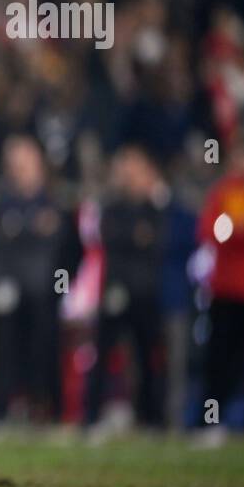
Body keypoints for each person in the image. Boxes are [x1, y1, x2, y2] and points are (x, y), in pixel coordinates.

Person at [0, 136, 81, 423]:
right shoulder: (2, 205)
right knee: (4, 353)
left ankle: (48, 410)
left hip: (43, 294)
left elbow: (73, 252)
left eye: (23, 163)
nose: (18, 170)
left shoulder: (56, 205)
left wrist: (60, 287)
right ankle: (1, 411)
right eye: (13, 165)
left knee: (45, 351)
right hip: (10, 293)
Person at [85, 144, 169, 430]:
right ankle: (91, 416)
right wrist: (136, 236)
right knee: (103, 354)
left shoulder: (156, 207)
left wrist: (136, 236)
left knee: (149, 357)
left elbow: (158, 240)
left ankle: (153, 417)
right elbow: (112, 237)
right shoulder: (112, 207)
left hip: (146, 291)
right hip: (116, 290)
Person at [197, 132, 244, 432]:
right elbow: (212, 232)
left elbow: (226, 231)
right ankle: (211, 423)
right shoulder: (226, 190)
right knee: (219, 362)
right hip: (225, 291)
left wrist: (236, 228)